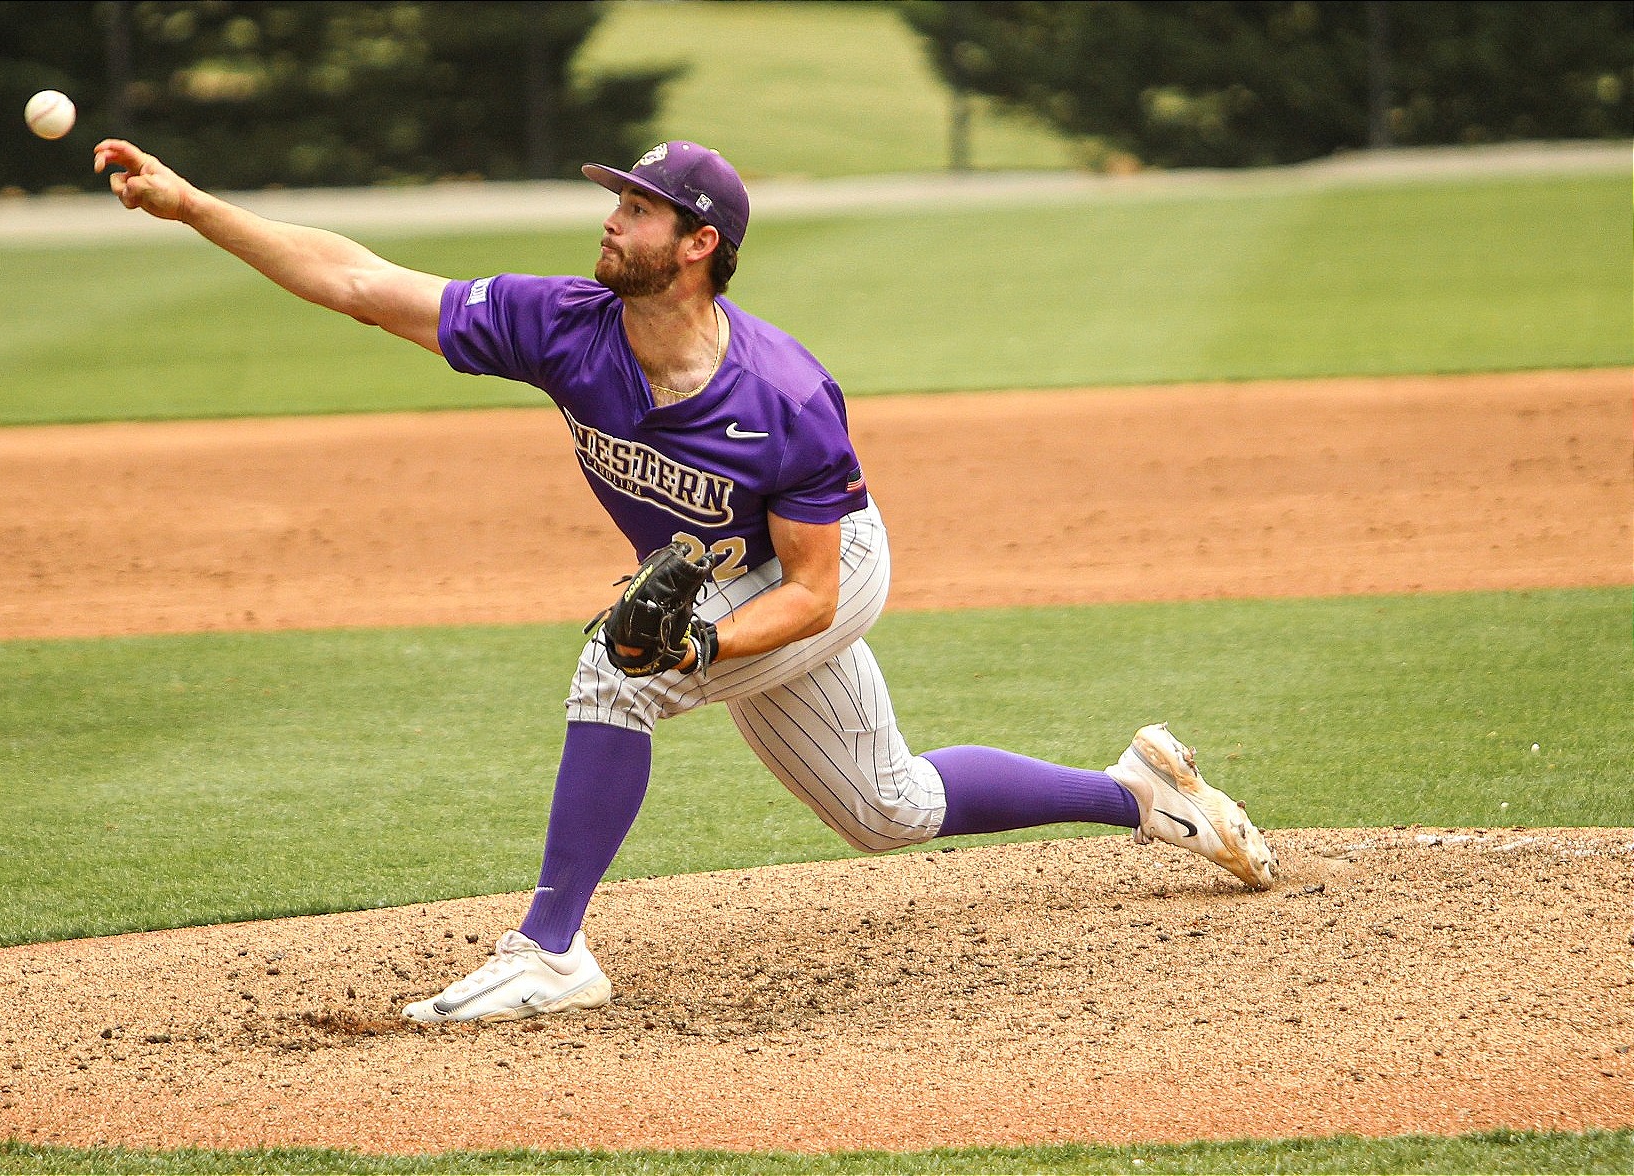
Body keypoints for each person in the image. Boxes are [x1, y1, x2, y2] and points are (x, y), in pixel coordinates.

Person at [93, 136, 1279, 1025]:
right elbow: (360, 284)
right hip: (725, 579)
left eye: (638, 208)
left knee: (617, 671)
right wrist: (192, 206)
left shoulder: (784, 397)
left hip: (825, 569)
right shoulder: (560, 325)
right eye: (616, 201)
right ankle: (1137, 793)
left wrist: (700, 647)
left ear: (699, 243)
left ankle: (550, 952)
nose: (611, 221)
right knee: (886, 810)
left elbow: (810, 595)